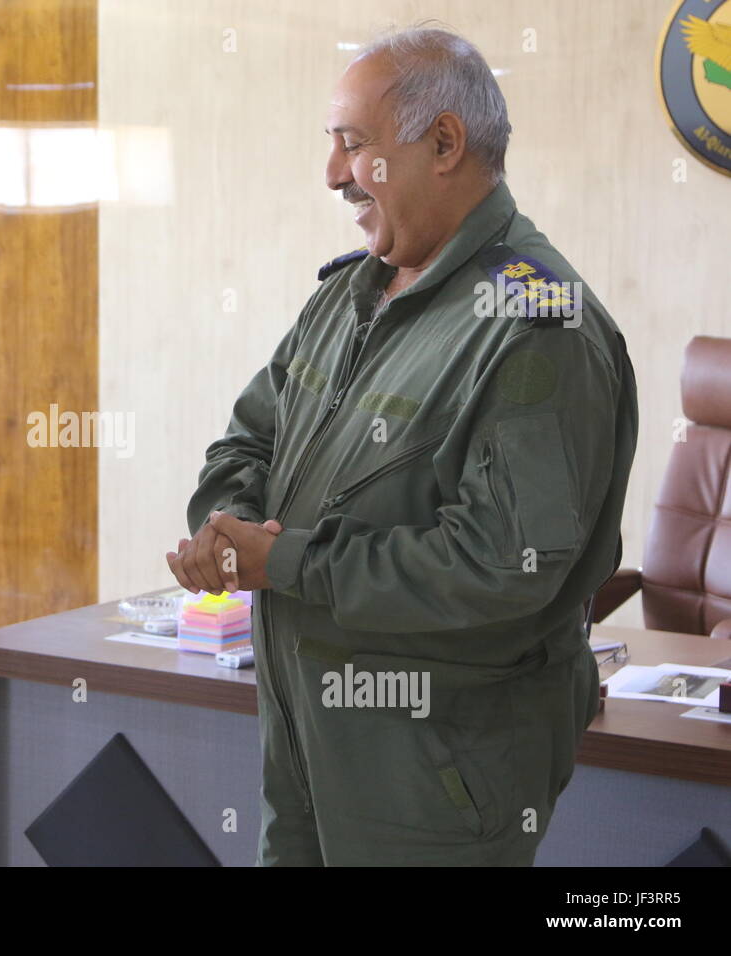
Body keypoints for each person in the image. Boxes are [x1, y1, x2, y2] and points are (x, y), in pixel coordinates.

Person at [167, 26, 638, 866]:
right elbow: (249, 438)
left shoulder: (537, 325)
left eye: (354, 145)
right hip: (308, 746)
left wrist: (290, 564)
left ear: (445, 143)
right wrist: (231, 528)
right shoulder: (353, 290)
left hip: (433, 779)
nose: (333, 173)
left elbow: (504, 567)